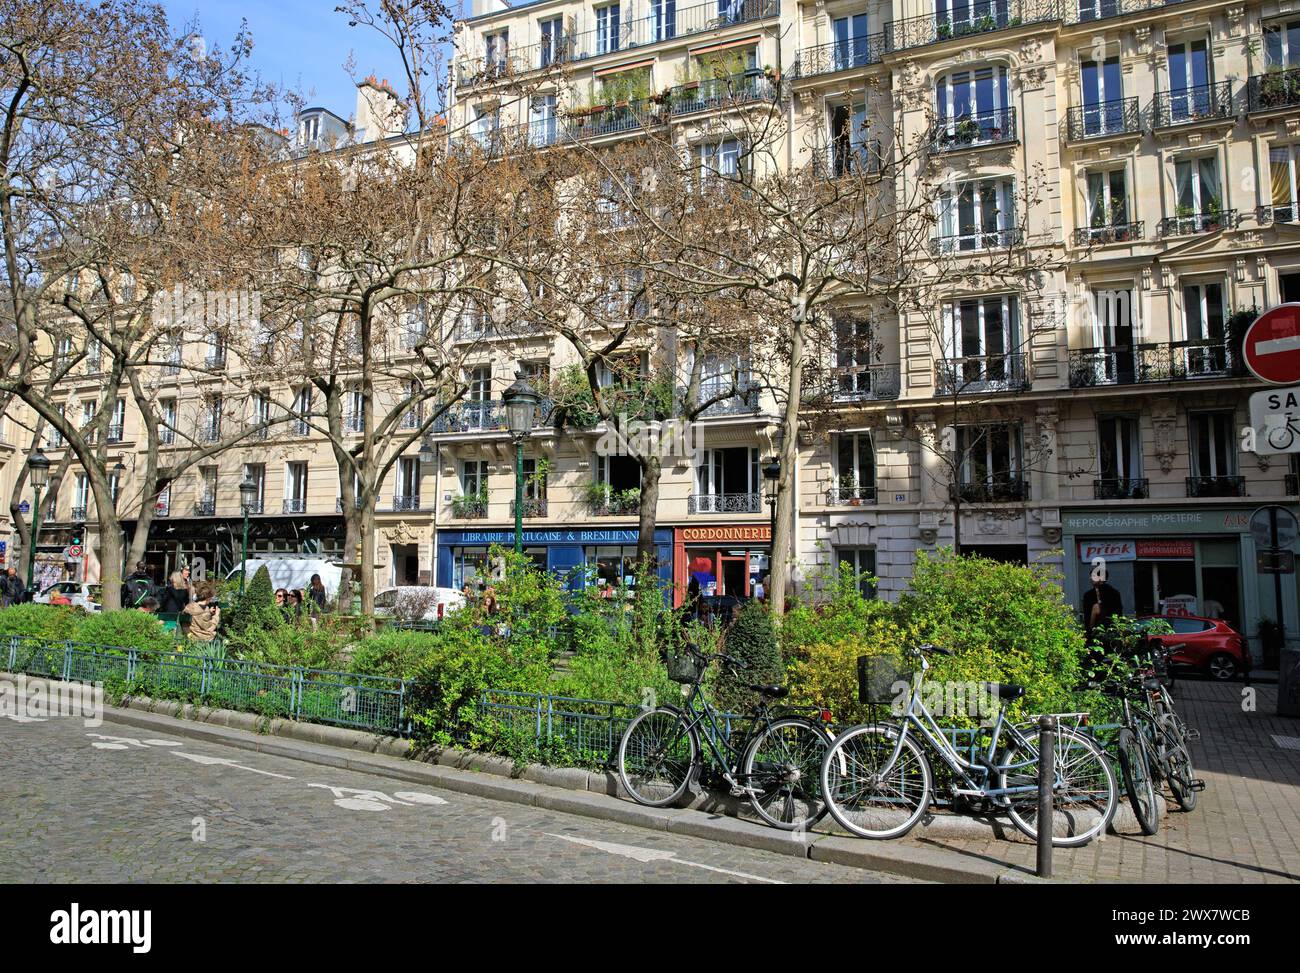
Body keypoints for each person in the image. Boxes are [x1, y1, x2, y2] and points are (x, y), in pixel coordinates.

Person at [1082, 574, 1124, 650]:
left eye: (1093, 576)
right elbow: (1087, 618)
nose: (1090, 578)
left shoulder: (1113, 594)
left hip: (1108, 634)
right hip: (1099, 634)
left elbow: (1118, 614)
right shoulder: (1088, 595)